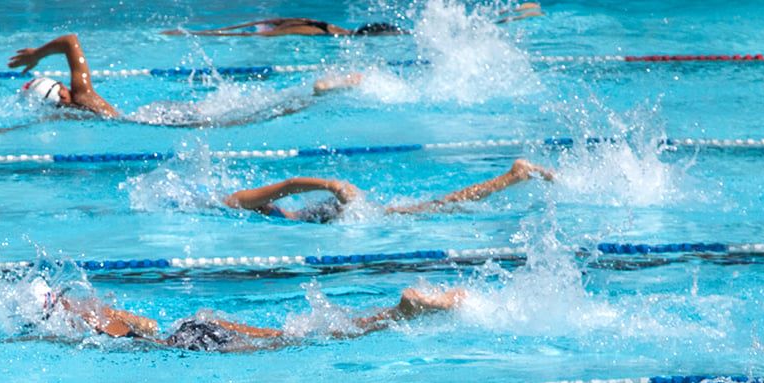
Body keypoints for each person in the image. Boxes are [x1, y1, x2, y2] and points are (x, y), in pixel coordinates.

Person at [0, 282, 467, 352]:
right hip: (188, 325)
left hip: (190, 346)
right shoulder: (91, 305)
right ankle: (392, 311)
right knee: (301, 334)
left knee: (301, 345)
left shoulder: (79, 326)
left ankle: (397, 313)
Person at [7, 32, 364, 124]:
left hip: (159, 121)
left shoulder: (81, 101)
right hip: (155, 112)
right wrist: (38, 55)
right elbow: (70, 42)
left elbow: (71, 41)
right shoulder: (80, 97)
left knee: (252, 116)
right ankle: (313, 92)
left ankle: (314, 95)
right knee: (241, 110)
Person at [223, 159, 554, 221]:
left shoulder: (233, 203)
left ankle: (512, 176)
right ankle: (511, 177)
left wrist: (334, 186)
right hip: (324, 217)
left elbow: (289, 185)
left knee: (434, 208)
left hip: (327, 215)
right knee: (433, 207)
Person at [165, 5, 543, 37]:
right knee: (425, 33)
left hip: (360, 38)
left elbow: (248, 31)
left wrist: (197, 33)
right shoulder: (303, 22)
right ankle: (508, 16)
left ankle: (507, 18)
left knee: (417, 34)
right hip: (359, 32)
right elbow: (248, 27)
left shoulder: (298, 27)